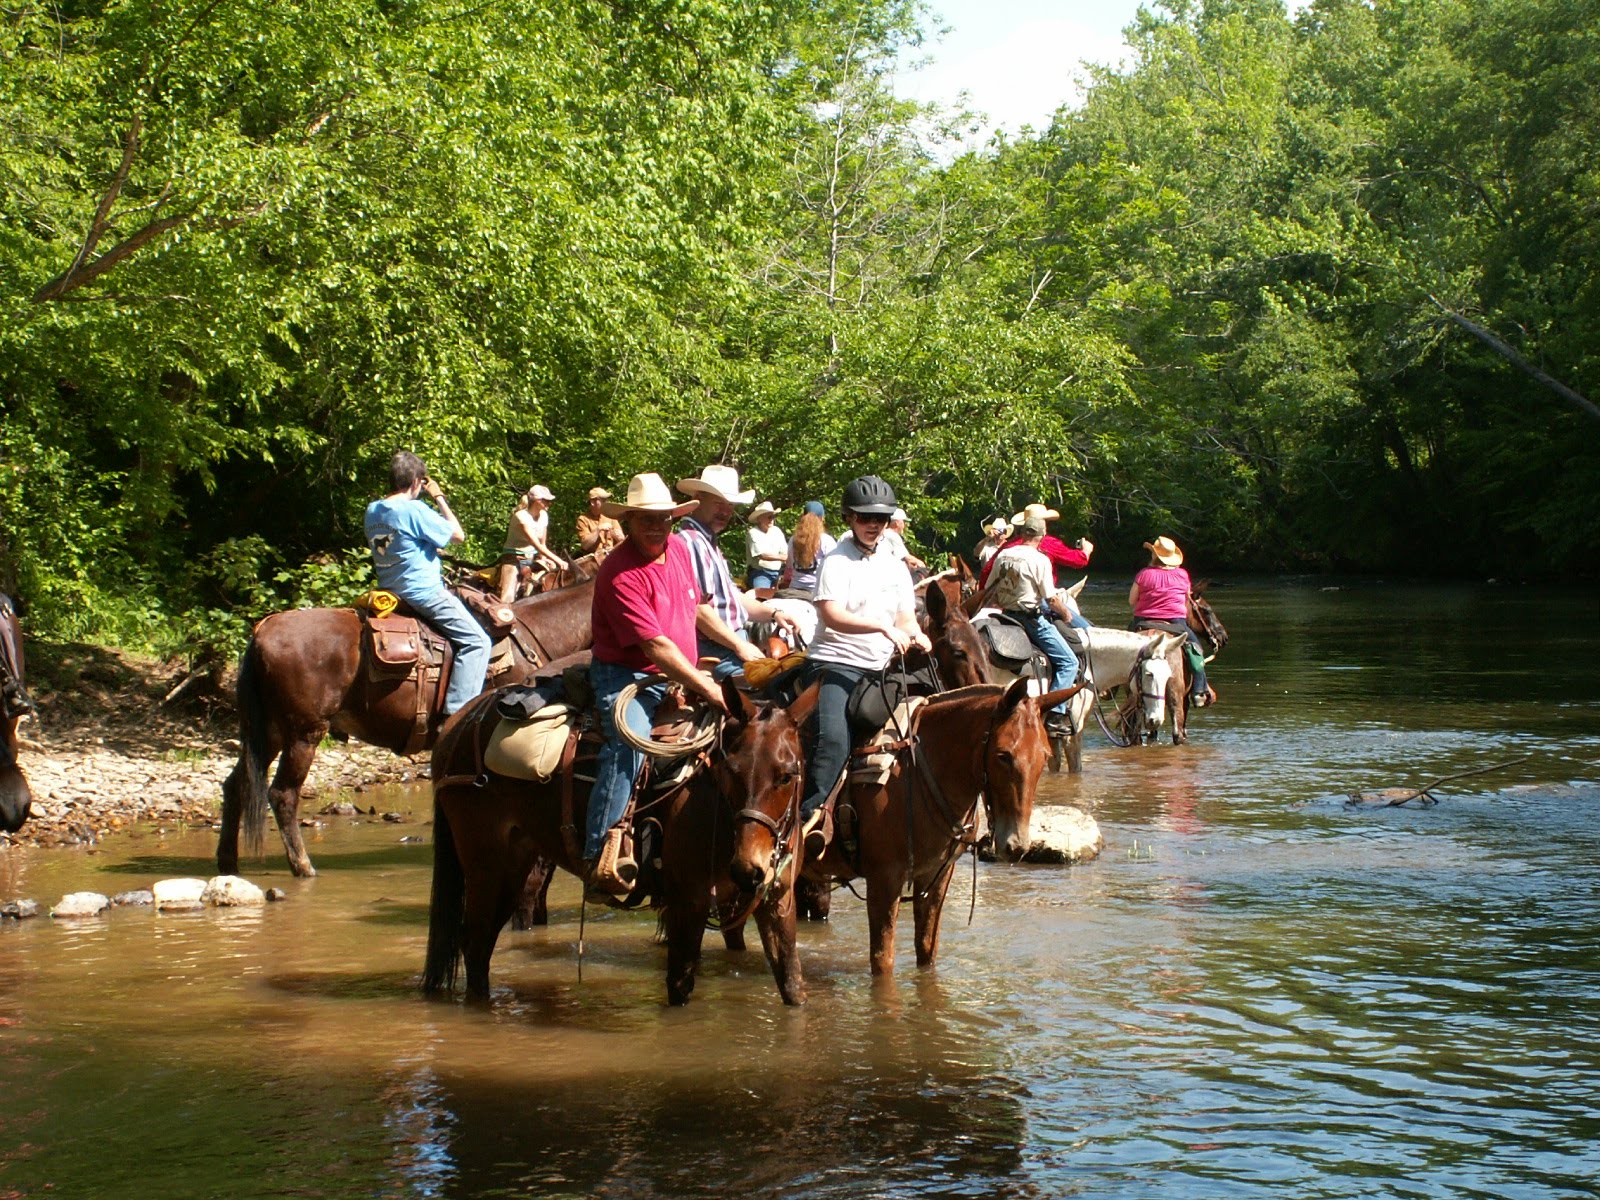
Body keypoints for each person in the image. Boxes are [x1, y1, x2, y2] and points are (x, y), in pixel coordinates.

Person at [587, 473, 730, 896]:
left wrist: (745, 649)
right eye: (646, 519)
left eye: (664, 519)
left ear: (674, 519)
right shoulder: (618, 572)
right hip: (628, 676)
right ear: (628, 521)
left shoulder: (680, 549)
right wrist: (707, 688)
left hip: (680, 670)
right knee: (627, 743)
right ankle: (600, 850)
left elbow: (699, 609)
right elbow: (654, 645)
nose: (657, 527)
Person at [798, 475, 930, 857]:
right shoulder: (836, 561)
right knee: (834, 738)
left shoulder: (895, 565)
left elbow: (905, 618)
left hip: (880, 666)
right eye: (864, 517)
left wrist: (918, 635)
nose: (873, 524)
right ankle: (812, 817)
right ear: (849, 517)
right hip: (834, 663)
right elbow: (832, 615)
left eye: (881, 518)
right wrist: (882, 627)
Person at [363, 451, 491, 717]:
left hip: (389, 591)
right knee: (478, 642)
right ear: (417, 482)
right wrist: (439, 497)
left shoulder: (373, 510)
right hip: (422, 593)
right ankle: (457, 715)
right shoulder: (414, 509)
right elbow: (458, 535)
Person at [674, 465, 795, 681]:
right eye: (719, 503)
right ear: (698, 498)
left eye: (730, 505)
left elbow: (732, 598)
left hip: (729, 643)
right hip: (715, 650)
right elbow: (699, 611)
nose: (726, 511)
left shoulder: (708, 542)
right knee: (776, 687)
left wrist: (774, 614)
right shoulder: (693, 543)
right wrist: (739, 645)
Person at [986, 514, 1078, 735]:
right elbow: (1051, 599)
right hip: (1030, 619)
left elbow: (989, 590)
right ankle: (1056, 714)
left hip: (1004, 615)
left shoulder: (1004, 554)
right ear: (1042, 536)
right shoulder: (1040, 559)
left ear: (1020, 533)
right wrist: (1066, 614)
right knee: (1069, 662)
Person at [1128, 535, 1212, 706]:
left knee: (1121, 646)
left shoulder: (1143, 574)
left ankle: (1111, 688)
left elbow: (1132, 601)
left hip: (1144, 620)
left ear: (1154, 556)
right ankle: (1198, 690)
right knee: (1195, 649)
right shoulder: (1182, 575)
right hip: (1175, 622)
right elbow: (1185, 600)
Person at [979, 502, 1094, 591]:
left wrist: (982, 595)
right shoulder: (1050, 543)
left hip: (1005, 597)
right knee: (1073, 620)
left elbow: (986, 571)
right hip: (1039, 598)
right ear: (1043, 523)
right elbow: (1078, 561)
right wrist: (1086, 550)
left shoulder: (1008, 545)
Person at [498, 484, 568, 602]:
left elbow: (543, 544)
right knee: (507, 598)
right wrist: (559, 560)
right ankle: (503, 611)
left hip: (531, 558)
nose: (549, 503)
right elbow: (537, 545)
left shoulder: (544, 516)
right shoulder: (521, 517)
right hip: (513, 558)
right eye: (546, 501)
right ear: (537, 501)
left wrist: (545, 559)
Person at [781, 501, 835, 594]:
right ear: (822, 519)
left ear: (802, 517)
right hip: (817, 591)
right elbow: (834, 570)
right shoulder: (826, 541)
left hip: (794, 589)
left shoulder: (793, 540)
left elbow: (789, 567)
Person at [745, 500, 788, 589]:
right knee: (762, 597)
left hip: (778, 573)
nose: (772, 519)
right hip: (760, 573)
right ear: (759, 518)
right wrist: (784, 557)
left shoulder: (777, 531)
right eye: (769, 517)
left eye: (773, 517)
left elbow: (785, 552)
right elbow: (762, 555)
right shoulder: (753, 533)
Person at [576, 486, 624, 556]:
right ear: (593, 502)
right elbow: (585, 546)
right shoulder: (583, 519)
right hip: (594, 561)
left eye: (606, 500)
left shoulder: (610, 516)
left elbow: (621, 540)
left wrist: (620, 537)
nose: (606, 502)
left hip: (612, 557)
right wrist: (598, 529)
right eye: (603, 500)